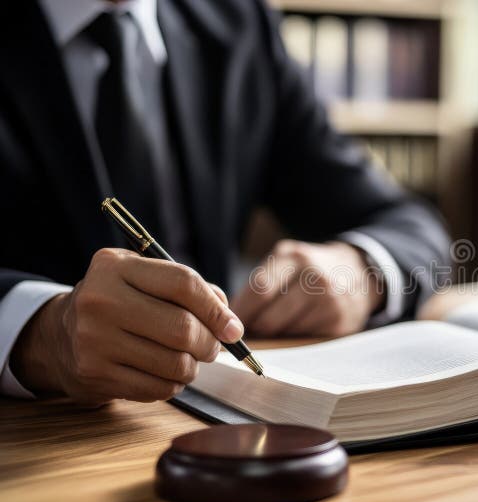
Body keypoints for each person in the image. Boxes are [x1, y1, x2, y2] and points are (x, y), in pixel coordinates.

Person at [0, 0, 450, 405]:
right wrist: (40, 331)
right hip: (45, 433)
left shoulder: (239, 21)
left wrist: (360, 268)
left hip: (211, 407)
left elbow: (412, 225)